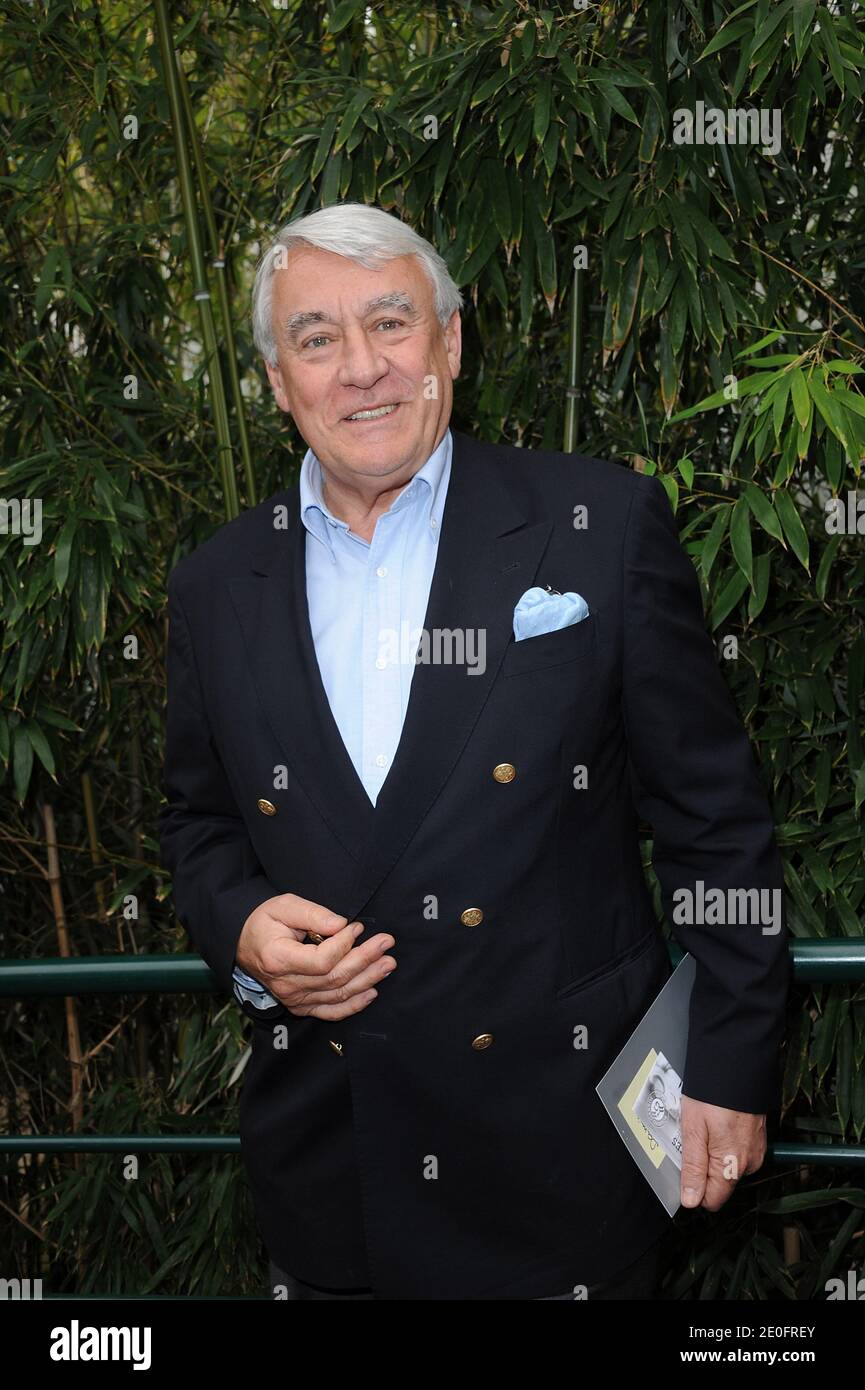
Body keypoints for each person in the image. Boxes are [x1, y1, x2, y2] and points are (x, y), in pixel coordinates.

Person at [158, 201, 791, 1301]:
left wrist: (729, 1065)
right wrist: (241, 927)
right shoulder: (215, 584)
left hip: (559, 1163)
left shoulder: (598, 525)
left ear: (451, 343)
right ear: (276, 380)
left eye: (392, 324)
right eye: (316, 339)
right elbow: (197, 822)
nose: (361, 368)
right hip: (330, 1170)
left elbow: (717, 828)